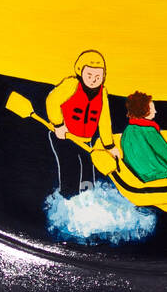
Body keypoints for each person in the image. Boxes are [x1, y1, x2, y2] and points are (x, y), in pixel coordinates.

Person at [44, 50, 117, 197]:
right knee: (71, 167)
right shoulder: (71, 85)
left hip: (85, 140)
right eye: (89, 75)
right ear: (80, 72)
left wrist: (109, 146)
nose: (93, 79)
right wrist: (58, 124)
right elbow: (52, 101)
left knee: (88, 170)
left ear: (103, 76)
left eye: (98, 76)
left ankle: (87, 198)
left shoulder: (102, 93)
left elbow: (104, 120)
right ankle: (68, 198)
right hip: (64, 136)